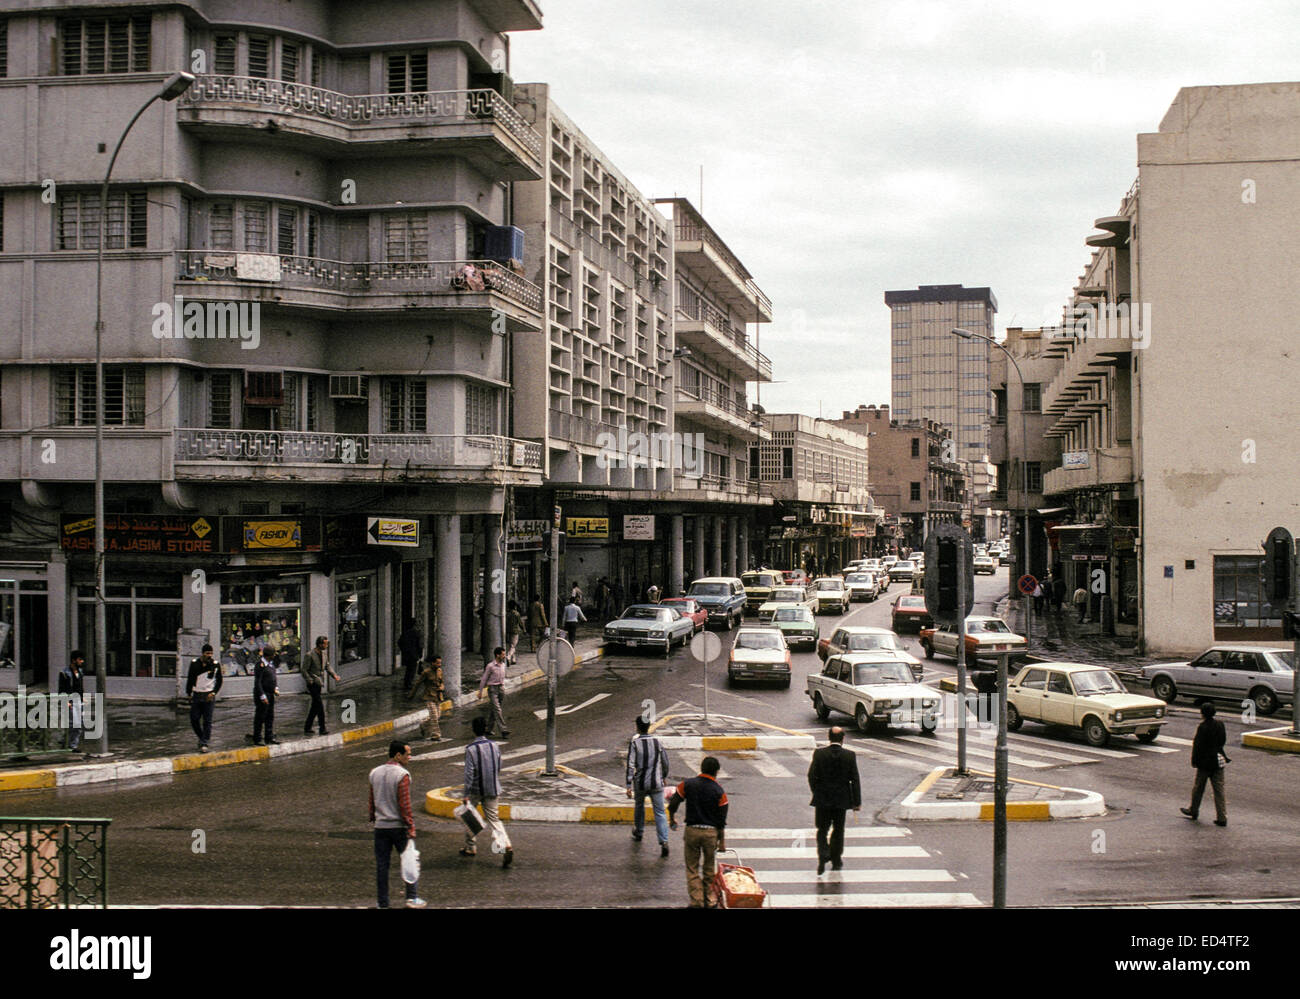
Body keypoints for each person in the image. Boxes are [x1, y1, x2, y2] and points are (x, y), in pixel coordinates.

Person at [368, 740, 427, 908]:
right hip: (399, 827)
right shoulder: (402, 775)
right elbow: (405, 805)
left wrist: (373, 816)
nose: (410, 756)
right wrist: (411, 826)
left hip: (381, 827)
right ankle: (412, 897)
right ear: (398, 755)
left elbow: (372, 800)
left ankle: (383, 903)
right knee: (410, 861)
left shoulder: (374, 773)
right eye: (407, 754)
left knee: (382, 867)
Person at [667, 756, 729, 908]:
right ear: (717, 772)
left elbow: (673, 802)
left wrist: (672, 818)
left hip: (692, 831)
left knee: (692, 868)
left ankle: (697, 901)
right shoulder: (719, 791)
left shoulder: (687, 784)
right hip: (710, 833)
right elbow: (721, 820)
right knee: (709, 868)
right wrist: (721, 841)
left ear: (701, 768)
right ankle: (709, 899)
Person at [807, 726, 862, 875]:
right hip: (841, 800)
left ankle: (823, 855)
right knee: (838, 830)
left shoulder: (819, 754)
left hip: (822, 799)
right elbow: (855, 780)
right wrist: (856, 802)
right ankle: (836, 860)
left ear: (829, 737)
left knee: (822, 830)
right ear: (842, 739)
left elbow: (811, 776)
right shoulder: (849, 755)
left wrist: (816, 791)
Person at [461, 716, 513, 867]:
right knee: (494, 819)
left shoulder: (470, 749)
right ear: (485, 729)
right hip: (493, 787)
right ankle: (505, 844)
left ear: (473, 730)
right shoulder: (494, 745)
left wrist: (465, 794)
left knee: (469, 816)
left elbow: (469, 774)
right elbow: (499, 764)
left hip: (476, 789)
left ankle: (471, 846)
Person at [626, 715, 671, 857]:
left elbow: (630, 765)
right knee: (660, 812)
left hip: (640, 783)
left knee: (639, 806)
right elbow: (665, 762)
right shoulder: (657, 742)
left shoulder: (635, 743)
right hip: (656, 782)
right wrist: (663, 777)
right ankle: (663, 841)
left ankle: (639, 831)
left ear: (638, 727)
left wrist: (628, 784)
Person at [1182, 702, 1228, 826]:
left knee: (1198, 788)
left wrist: (1194, 761)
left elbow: (1197, 746)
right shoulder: (1220, 724)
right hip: (1218, 761)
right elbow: (1223, 740)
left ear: (1203, 714)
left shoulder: (1202, 727)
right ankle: (1222, 817)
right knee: (1219, 791)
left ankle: (1193, 810)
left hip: (1205, 763)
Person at [185, 644, 223, 752]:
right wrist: (188, 693)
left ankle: (205, 742)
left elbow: (219, 681)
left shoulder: (215, 665)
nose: (209, 655)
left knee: (207, 720)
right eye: (207, 653)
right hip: (197, 695)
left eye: (211, 653)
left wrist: (214, 692)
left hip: (208, 696)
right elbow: (190, 678)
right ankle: (201, 736)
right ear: (202, 653)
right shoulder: (194, 664)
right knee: (194, 719)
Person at [303, 635, 340, 736]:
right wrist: (309, 680)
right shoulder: (309, 655)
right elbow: (304, 670)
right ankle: (322, 728)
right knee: (319, 705)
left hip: (320, 682)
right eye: (325, 643)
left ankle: (307, 726)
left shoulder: (324, 654)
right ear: (320, 644)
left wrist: (334, 675)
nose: (326, 645)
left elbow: (327, 666)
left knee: (315, 706)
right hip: (313, 683)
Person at [58, 651, 87, 753]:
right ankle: (70, 744)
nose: (82, 661)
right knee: (74, 724)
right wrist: (65, 701)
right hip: (70, 701)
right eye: (80, 659)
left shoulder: (80, 672)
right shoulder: (65, 673)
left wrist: (83, 697)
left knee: (78, 724)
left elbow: (80, 686)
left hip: (78, 700)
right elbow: (61, 689)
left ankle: (68, 742)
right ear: (73, 660)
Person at [413, 656, 447, 741]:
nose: (439, 664)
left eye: (440, 662)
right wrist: (411, 695)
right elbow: (418, 684)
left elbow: (442, 682)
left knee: (437, 716)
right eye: (437, 663)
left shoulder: (440, 671)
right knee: (434, 716)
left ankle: (423, 724)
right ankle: (436, 735)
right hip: (429, 696)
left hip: (438, 697)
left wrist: (442, 688)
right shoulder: (426, 672)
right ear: (432, 663)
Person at [479, 646, 509, 740]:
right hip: (492, 689)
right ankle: (503, 730)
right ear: (497, 655)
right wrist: (480, 691)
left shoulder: (503, 665)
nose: (504, 656)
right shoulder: (490, 666)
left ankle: (488, 729)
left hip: (501, 688)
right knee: (497, 709)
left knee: (494, 710)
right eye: (503, 654)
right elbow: (484, 678)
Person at [251, 647, 279, 745]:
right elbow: (258, 682)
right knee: (260, 716)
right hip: (263, 694)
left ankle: (269, 736)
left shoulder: (271, 665)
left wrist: (275, 688)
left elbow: (273, 678)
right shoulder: (260, 665)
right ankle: (257, 737)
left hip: (271, 693)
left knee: (270, 716)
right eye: (273, 654)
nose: (275, 656)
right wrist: (262, 696)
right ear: (269, 655)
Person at [398, 618, 423, 693]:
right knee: (412, 670)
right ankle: (409, 683)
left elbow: (399, 642)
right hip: (414, 654)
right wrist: (420, 653)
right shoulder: (416, 633)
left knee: (408, 669)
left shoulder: (405, 633)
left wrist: (404, 650)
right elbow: (419, 645)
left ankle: (407, 683)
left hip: (407, 654)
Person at [505, 601, 525, 665]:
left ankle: (513, 659)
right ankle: (508, 656)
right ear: (515, 606)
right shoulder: (516, 614)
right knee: (513, 646)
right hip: (515, 631)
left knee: (511, 645)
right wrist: (524, 629)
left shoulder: (507, 614)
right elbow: (520, 623)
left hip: (508, 631)